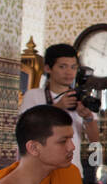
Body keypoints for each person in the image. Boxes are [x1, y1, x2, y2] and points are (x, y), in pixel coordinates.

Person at [18, 43, 99, 171]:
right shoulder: (33, 95)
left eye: (73, 67)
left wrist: (88, 117)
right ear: (48, 68)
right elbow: (25, 132)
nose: (69, 72)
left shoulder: (80, 98)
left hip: (73, 169)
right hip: (39, 171)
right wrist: (58, 107)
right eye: (62, 66)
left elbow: (95, 141)